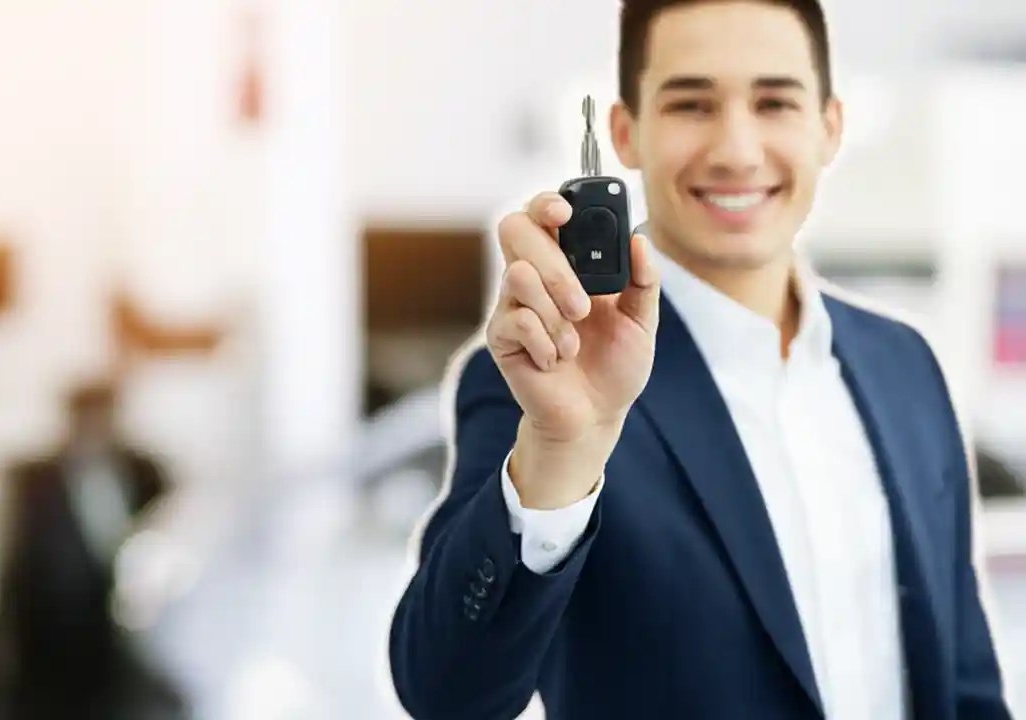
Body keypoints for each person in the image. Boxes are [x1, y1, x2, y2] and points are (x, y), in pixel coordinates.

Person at [388, 1, 1014, 718]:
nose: (737, 150)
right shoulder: (546, 380)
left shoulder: (905, 367)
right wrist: (562, 450)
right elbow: (445, 693)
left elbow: (963, 679)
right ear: (627, 132)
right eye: (692, 104)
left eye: (774, 101)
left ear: (829, 126)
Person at [2, 381, 184, 719]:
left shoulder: (146, 471)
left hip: (131, 633)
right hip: (61, 629)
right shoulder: (36, 480)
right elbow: (19, 564)